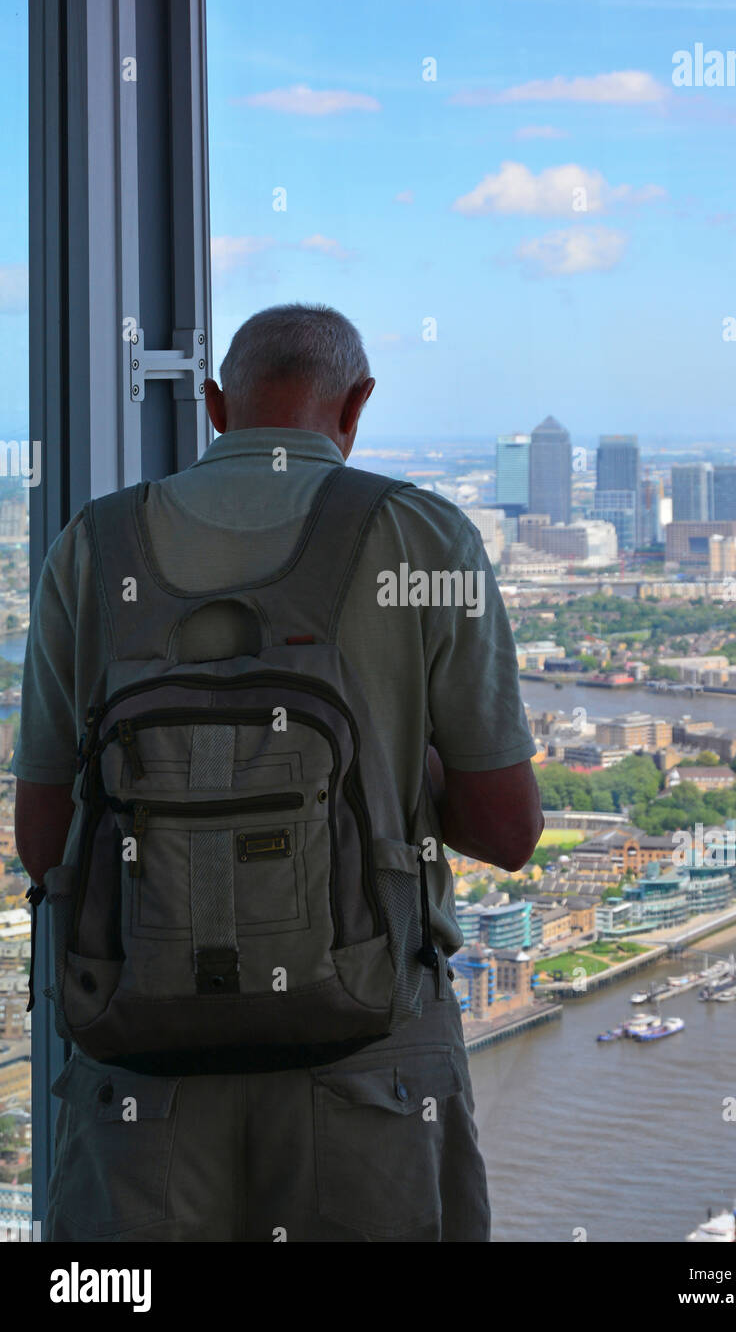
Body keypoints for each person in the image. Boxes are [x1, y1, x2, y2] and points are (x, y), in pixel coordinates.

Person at [13, 302, 543, 1242]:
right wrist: (398, 759)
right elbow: (507, 833)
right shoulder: (425, 540)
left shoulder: (91, 548)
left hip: (142, 1073)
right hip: (366, 1058)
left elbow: (45, 843)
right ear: (358, 405)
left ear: (215, 405)